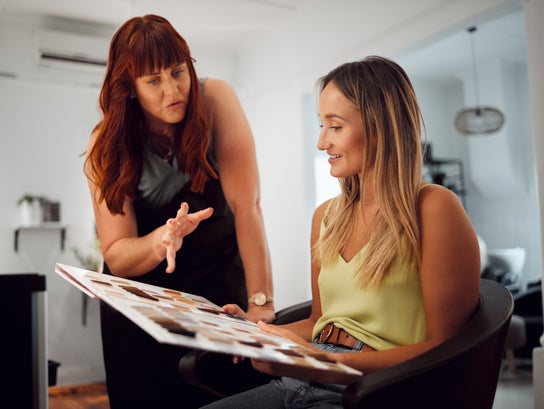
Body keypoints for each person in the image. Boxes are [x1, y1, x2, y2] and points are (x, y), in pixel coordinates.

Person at [199, 56, 481, 409]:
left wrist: (326, 365)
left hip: (379, 392)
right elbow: (320, 322)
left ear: (380, 127)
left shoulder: (434, 208)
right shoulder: (326, 218)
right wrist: (256, 333)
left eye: (335, 126)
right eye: (322, 125)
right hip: (307, 379)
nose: (321, 143)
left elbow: (447, 350)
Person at [84, 14, 275, 409]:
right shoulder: (106, 143)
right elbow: (116, 252)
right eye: (153, 80)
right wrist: (161, 240)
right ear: (130, 89)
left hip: (218, 285)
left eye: (177, 72)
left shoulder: (216, 99)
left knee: (226, 392)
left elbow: (247, 207)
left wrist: (261, 305)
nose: (173, 89)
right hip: (142, 299)